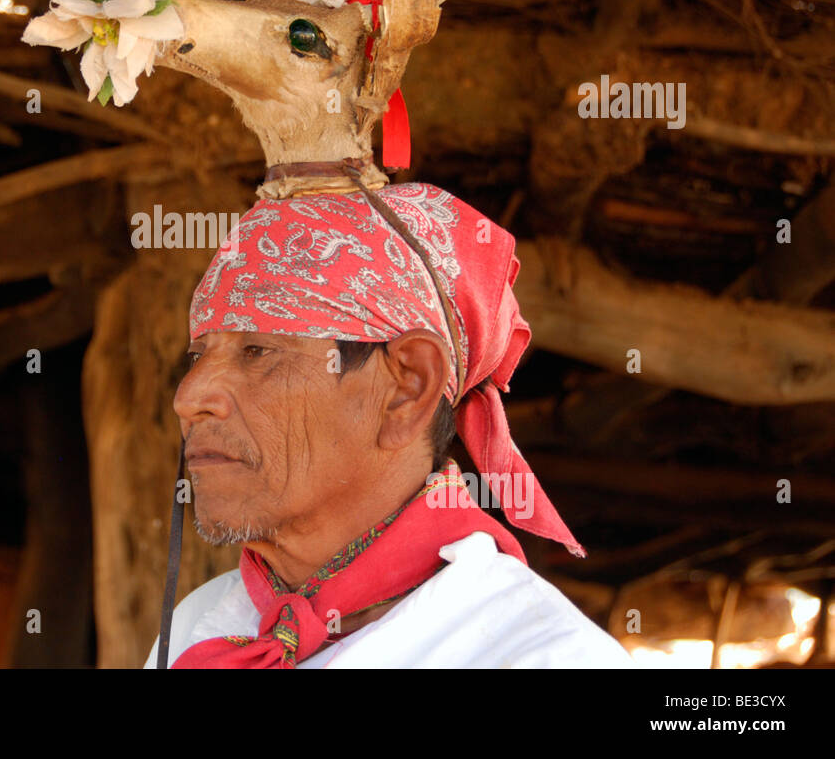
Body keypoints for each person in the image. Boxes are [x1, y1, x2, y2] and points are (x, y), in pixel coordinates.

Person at [145, 180, 634, 668]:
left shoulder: (544, 656)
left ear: (407, 388)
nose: (188, 398)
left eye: (258, 351)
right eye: (197, 355)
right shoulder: (200, 623)